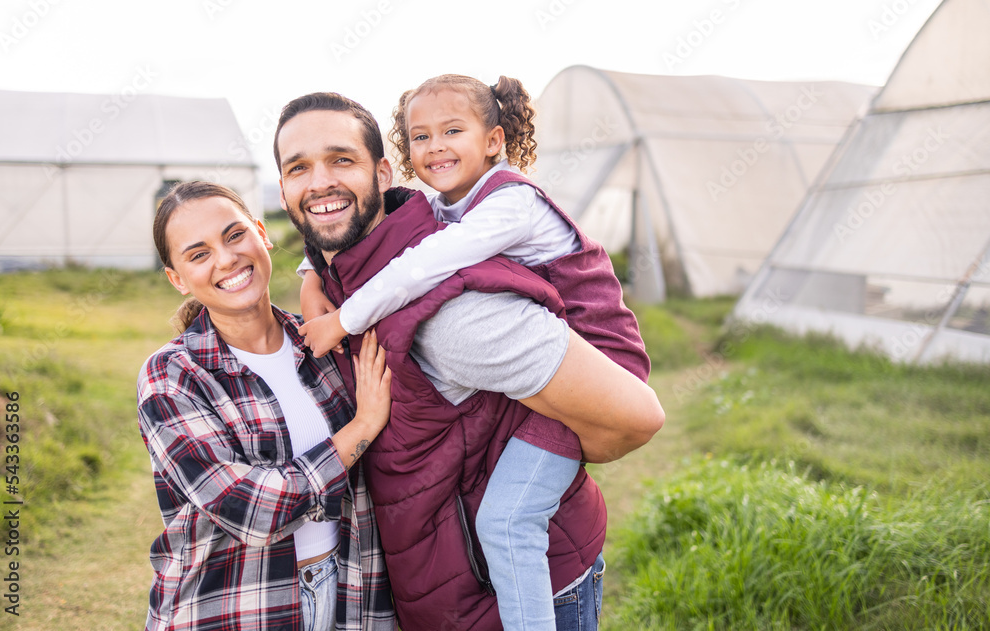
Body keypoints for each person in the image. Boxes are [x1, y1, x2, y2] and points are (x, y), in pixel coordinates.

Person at [275, 92, 664, 630]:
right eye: (300, 168)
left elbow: (635, 416)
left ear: (384, 176)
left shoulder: (457, 319)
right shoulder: (387, 247)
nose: (319, 182)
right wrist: (313, 272)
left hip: (514, 599)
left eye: (341, 160)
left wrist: (342, 318)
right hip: (451, 593)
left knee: (508, 520)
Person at [136, 181, 396, 631]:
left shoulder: (322, 343)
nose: (226, 259)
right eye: (198, 255)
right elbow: (250, 508)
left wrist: (315, 274)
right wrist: (362, 427)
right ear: (177, 279)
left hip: (351, 595)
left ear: (262, 233)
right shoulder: (173, 376)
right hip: (234, 610)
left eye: (235, 235)